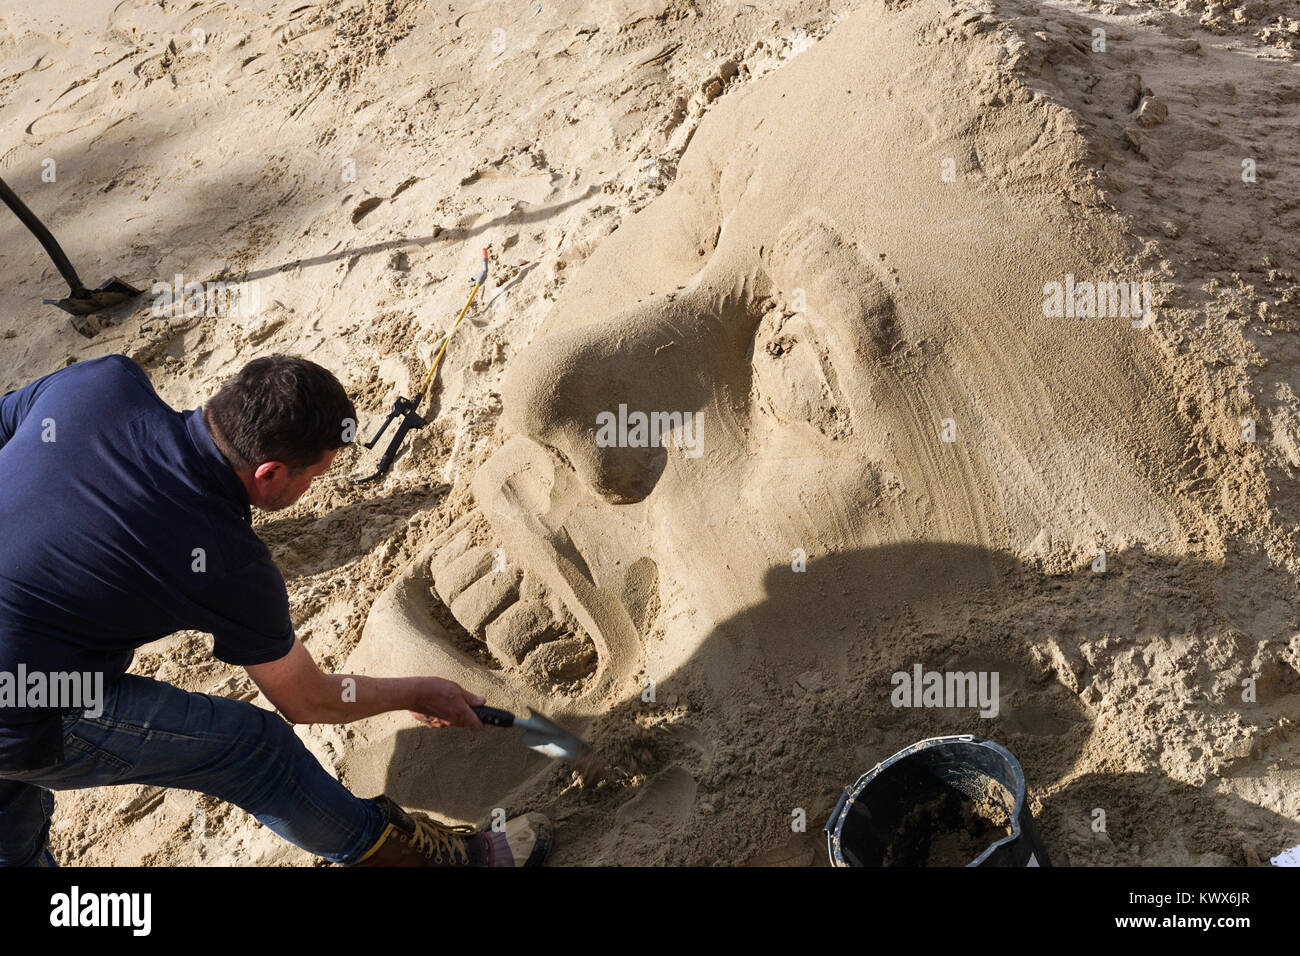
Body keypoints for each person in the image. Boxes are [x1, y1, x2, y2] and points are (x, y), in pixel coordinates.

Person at [0, 353, 551, 866]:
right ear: (268, 474)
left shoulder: (98, 383)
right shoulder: (226, 559)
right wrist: (416, 692)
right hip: (25, 706)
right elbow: (306, 699)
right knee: (253, 751)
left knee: (11, 818)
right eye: (314, 475)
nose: (313, 488)